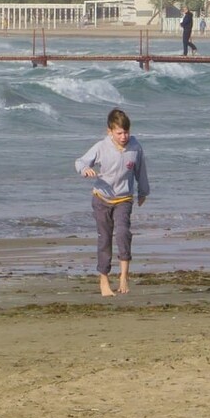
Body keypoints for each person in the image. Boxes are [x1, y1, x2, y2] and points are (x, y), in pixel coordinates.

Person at [73, 108, 150, 297]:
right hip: (102, 199)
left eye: (126, 132)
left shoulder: (135, 147)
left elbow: (141, 171)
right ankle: (104, 279)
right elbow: (80, 162)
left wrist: (143, 192)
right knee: (105, 239)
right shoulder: (101, 147)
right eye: (119, 133)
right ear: (110, 131)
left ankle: (124, 275)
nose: (124, 136)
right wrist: (85, 170)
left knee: (123, 233)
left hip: (124, 198)